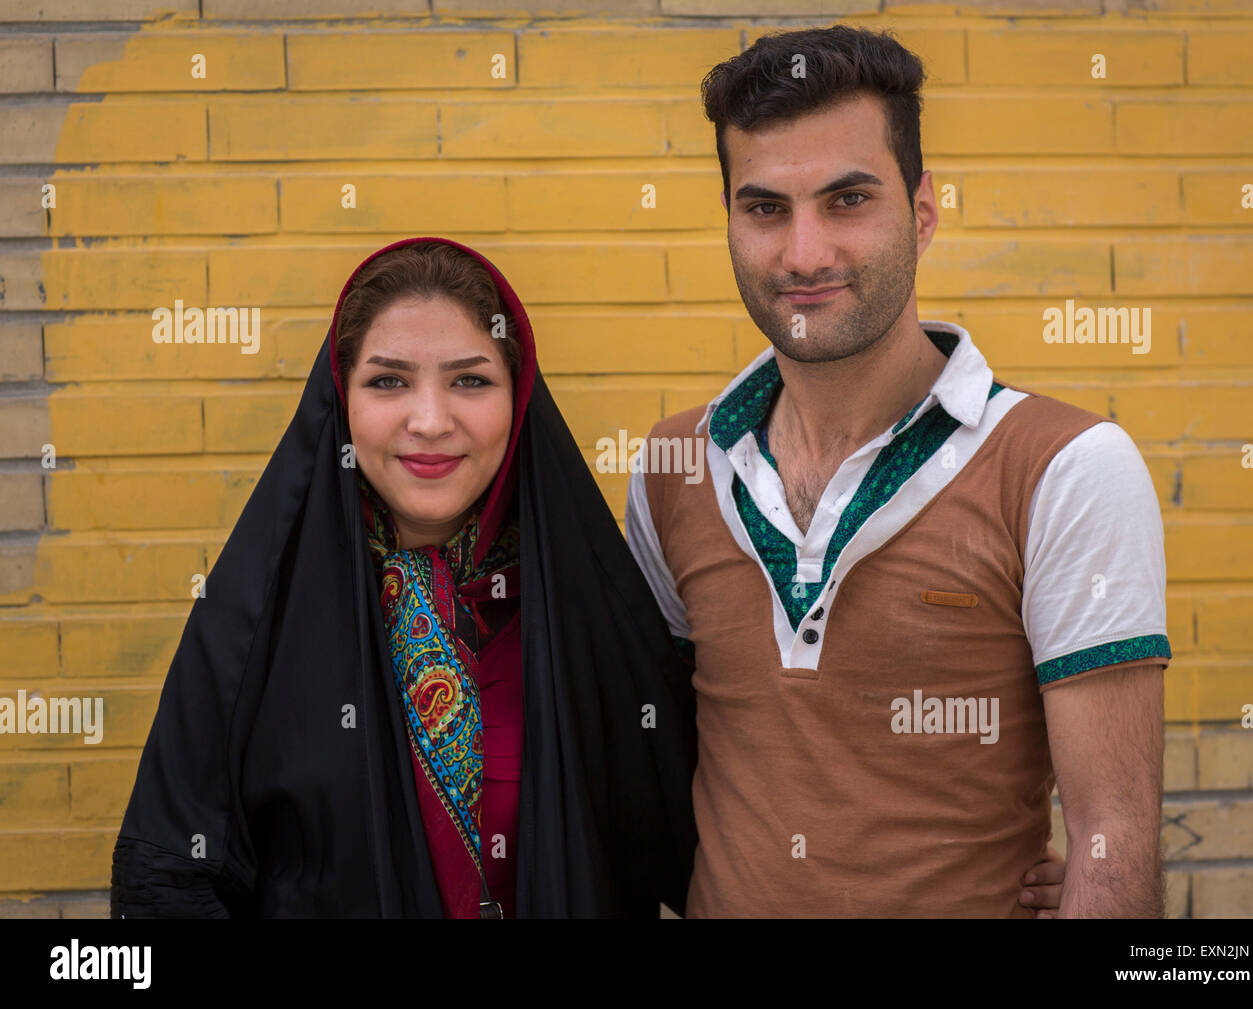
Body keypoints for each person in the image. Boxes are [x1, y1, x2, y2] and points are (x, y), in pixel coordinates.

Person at [626, 26, 1168, 917]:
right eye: (765, 208)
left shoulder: (1066, 469)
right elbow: (657, 772)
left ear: (921, 212)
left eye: (847, 200)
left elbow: (1114, 850)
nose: (804, 254)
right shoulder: (673, 469)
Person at [110, 237, 698, 918]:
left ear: (519, 398)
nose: (429, 421)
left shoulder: (586, 611)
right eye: (387, 380)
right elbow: (168, 881)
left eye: (470, 380)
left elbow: (688, 846)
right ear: (341, 400)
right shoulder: (251, 628)